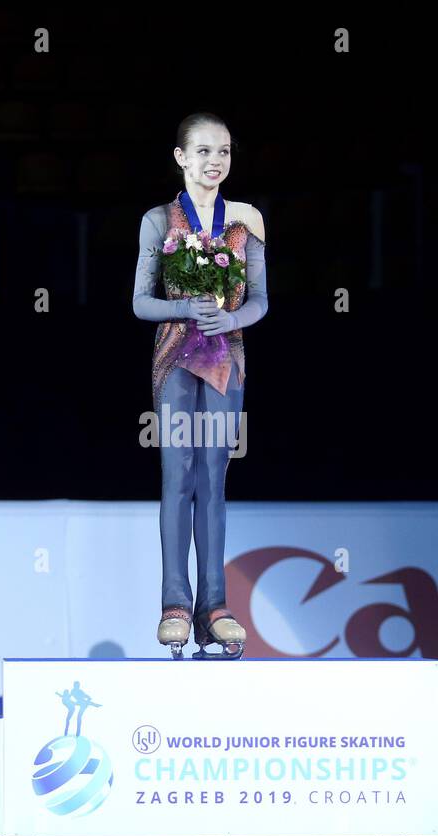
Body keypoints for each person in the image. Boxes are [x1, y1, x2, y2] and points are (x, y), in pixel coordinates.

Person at [132, 112, 268, 659]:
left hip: (225, 360)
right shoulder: (159, 220)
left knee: (214, 477)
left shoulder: (246, 220)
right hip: (173, 358)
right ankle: (174, 603)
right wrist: (183, 307)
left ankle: (215, 606)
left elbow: (260, 300)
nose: (216, 162)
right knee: (177, 475)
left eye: (225, 152)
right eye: (205, 152)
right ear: (181, 157)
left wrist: (231, 320)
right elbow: (139, 302)